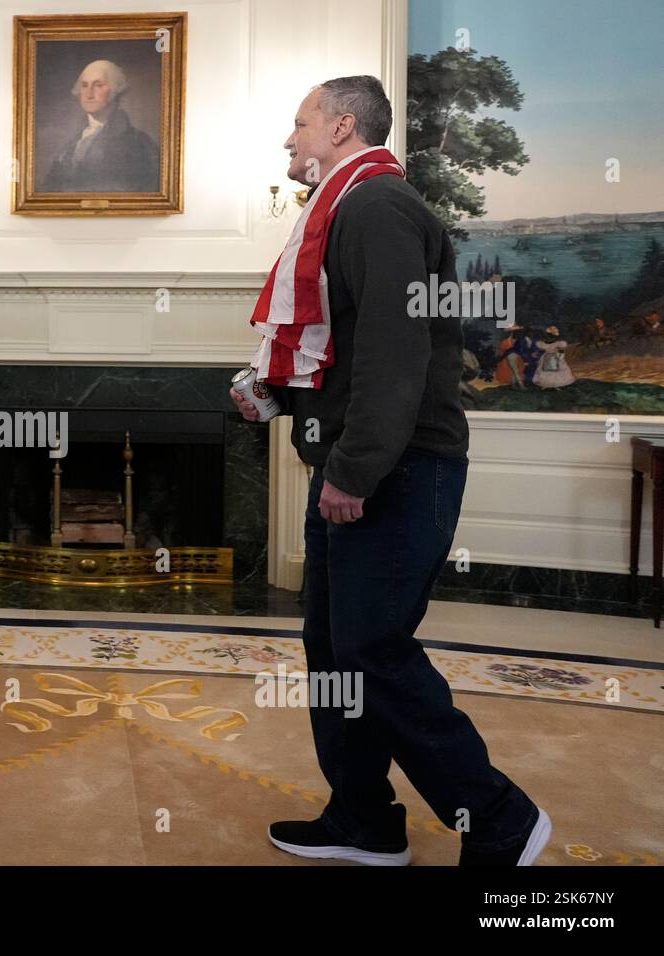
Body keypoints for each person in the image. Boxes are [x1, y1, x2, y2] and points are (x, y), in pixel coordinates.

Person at [232, 76, 550, 866]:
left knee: (371, 651)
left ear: (342, 126)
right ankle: (364, 819)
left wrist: (355, 472)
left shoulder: (377, 208)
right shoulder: (346, 207)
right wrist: (274, 393)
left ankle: (500, 818)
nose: (288, 139)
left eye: (299, 122)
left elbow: (394, 356)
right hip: (359, 464)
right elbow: (344, 349)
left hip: (396, 470)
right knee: (336, 653)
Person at [41, 59, 160, 193]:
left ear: (116, 90)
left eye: (98, 85)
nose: (89, 94)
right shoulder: (71, 145)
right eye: (84, 85)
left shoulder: (139, 144)